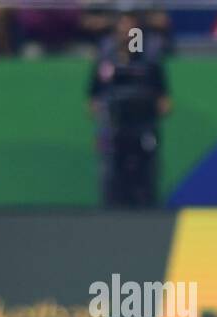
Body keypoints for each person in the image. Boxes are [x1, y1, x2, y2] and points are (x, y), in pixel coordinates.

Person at [88, 10, 171, 208]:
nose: (127, 31)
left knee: (145, 170)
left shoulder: (148, 58)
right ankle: (113, 207)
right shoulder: (106, 57)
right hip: (114, 124)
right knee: (112, 170)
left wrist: (155, 104)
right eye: (122, 27)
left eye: (132, 28)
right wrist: (101, 117)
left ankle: (146, 206)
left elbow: (163, 96)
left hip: (143, 124)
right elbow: (93, 95)